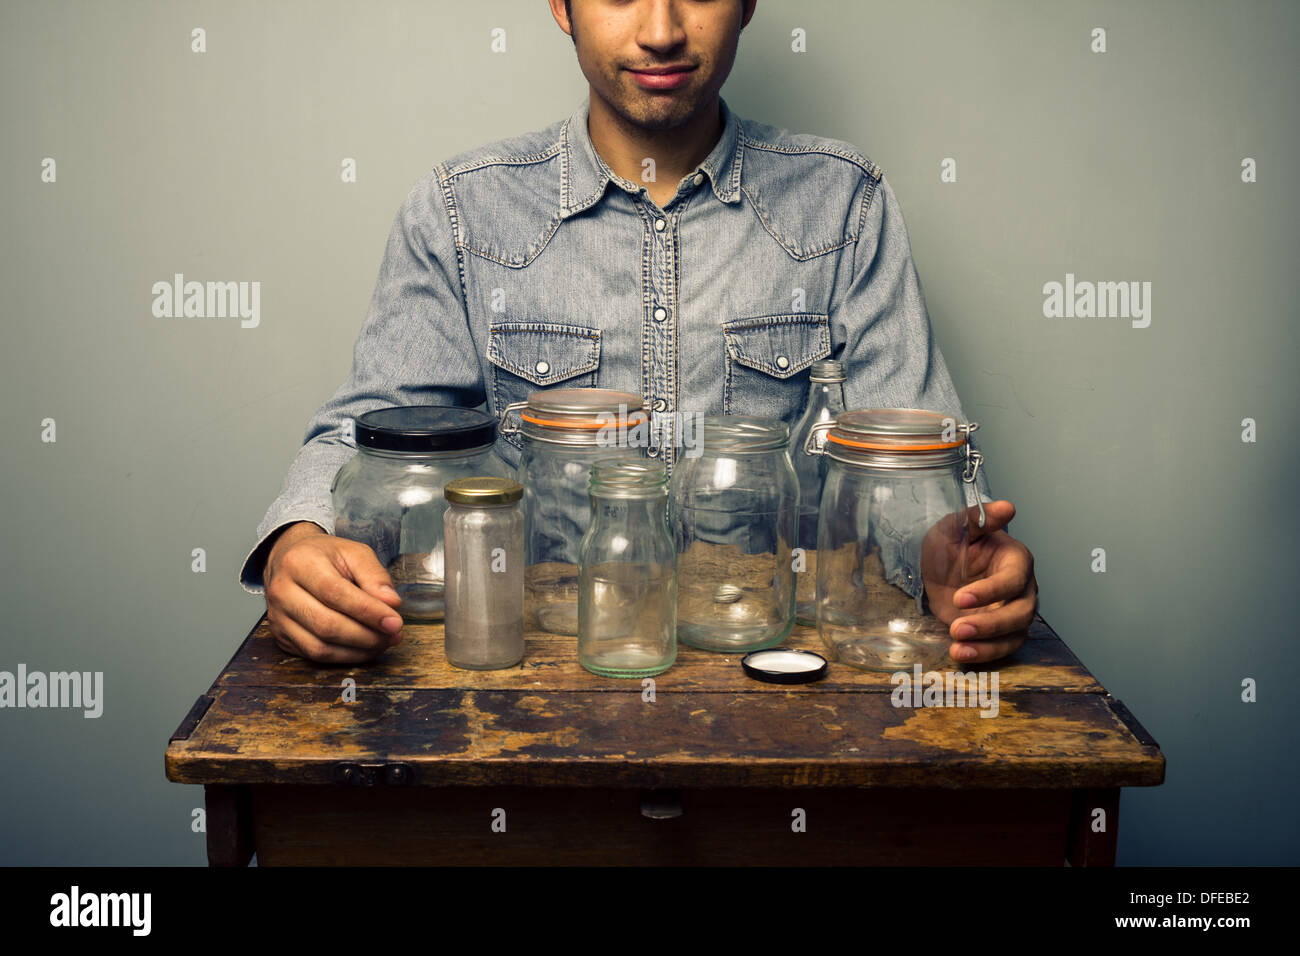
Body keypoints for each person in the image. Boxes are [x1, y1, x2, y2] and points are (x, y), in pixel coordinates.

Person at [239, 0, 1038, 666]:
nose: (661, 30)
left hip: (768, 683)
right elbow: (371, 430)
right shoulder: (458, 213)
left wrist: (948, 559)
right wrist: (296, 539)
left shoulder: (844, 204)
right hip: (527, 680)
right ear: (561, 4)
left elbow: (911, 455)